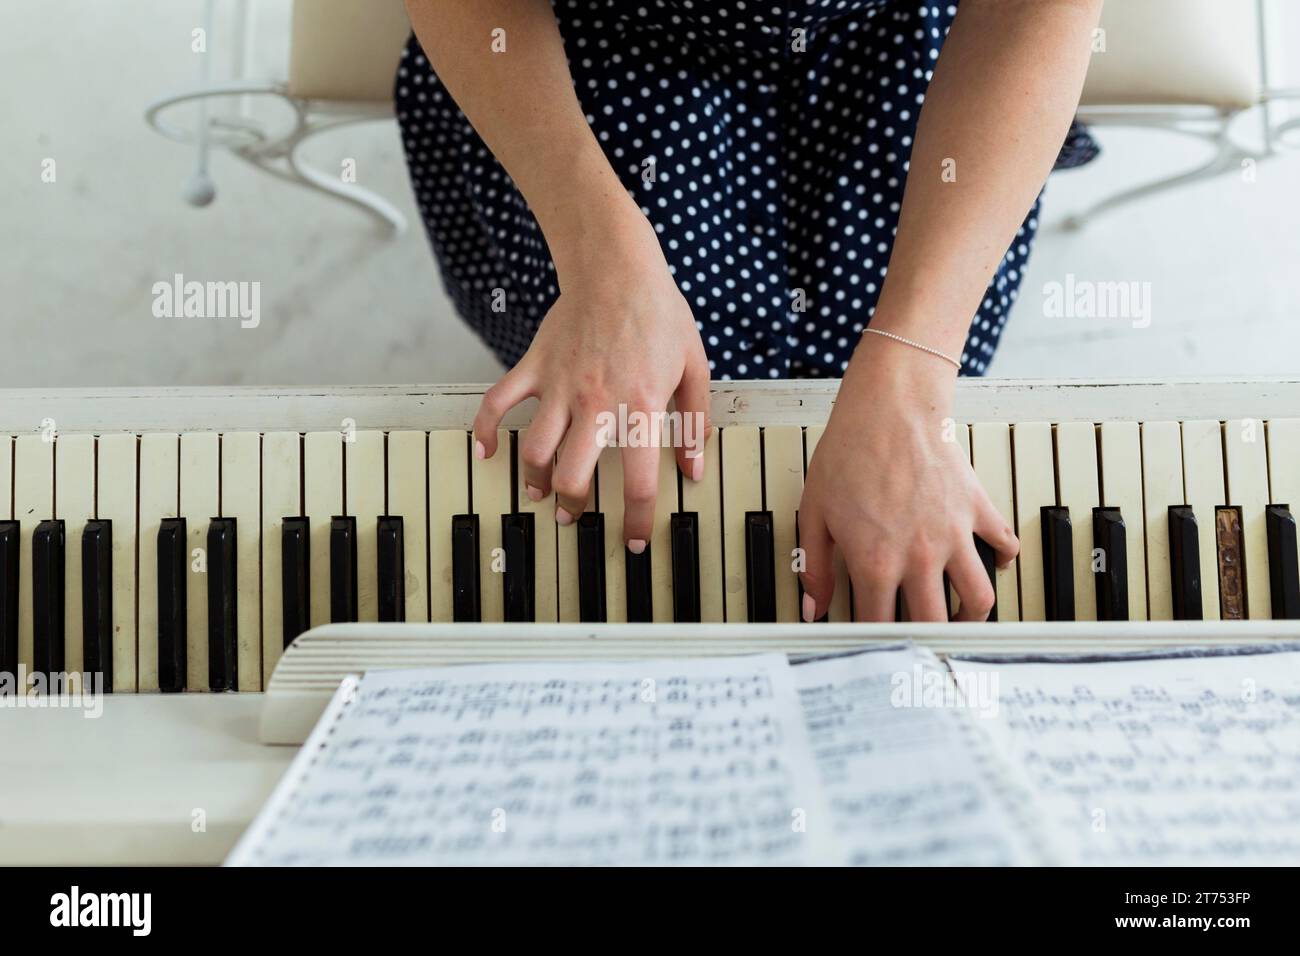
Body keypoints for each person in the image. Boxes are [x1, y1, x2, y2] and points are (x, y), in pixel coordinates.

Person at [396, 0, 1103, 622]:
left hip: (908, 58)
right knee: (633, 422)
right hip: (591, 48)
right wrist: (598, 260)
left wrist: (911, 371)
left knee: (890, 408)